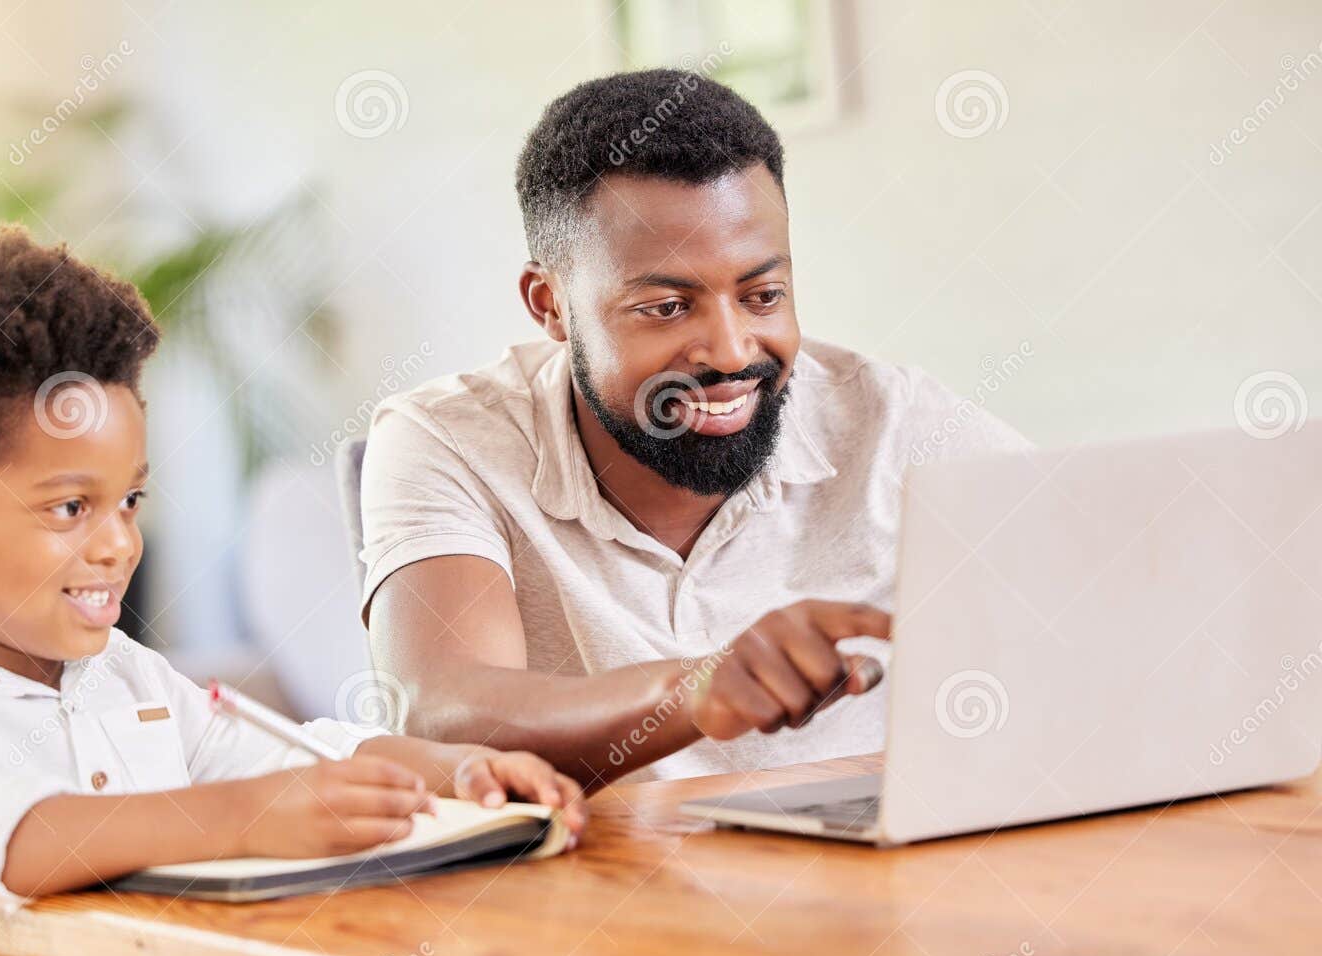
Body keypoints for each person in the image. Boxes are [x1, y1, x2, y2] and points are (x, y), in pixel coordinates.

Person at [0, 227, 585, 956]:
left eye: (129, 499)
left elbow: (292, 751)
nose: (119, 545)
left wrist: (448, 770)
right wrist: (242, 817)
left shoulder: (127, 677)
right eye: (69, 508)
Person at [360, 70, 1029, 788]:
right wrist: (697, 689)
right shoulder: (448, 438)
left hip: (871, 877)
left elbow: (1099, 576)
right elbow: (442, 708)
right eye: (669, 306)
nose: (732, 350)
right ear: (550, 303)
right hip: (596, 886)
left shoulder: (895, 422)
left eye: (762, 295)